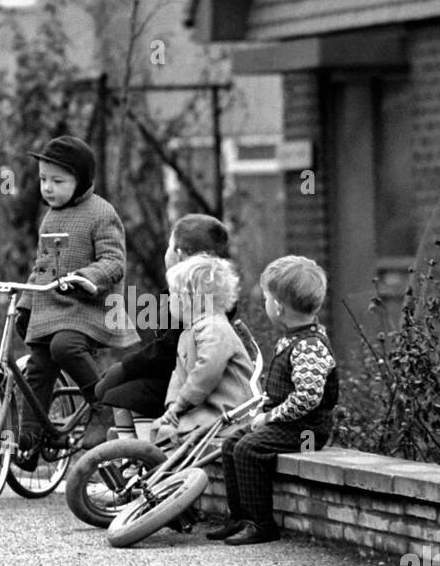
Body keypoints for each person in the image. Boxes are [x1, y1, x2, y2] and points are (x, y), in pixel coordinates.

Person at [13, 135, 136, 469]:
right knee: (38, 365)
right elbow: (41, 267)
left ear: (80, 180)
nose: (47, 188)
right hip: (53, 307)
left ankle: (100, 407)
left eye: (57, 181)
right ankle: (30, 437)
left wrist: (86, 276)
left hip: (90, 308)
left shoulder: (101, 214)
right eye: (42, 180)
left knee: (65, 347)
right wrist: (25, 302)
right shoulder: (50, 218)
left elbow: (114, 262)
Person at [212, 255, 340, 546]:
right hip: (289, 422)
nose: (266, 304)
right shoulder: (294, 337)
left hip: (307, 429)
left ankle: (262, 524)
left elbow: (307, 398)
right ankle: (239, 517)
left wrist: (269, 417)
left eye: (268, 299)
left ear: (279, 308)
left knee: (248, 449)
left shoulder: (308, 346)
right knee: (232, 443)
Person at [94, 213, 232, 440]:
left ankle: (149, 459)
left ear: (179, 255)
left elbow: (169, 348)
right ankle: (132, 458)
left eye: (169, 245)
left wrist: (126, 368)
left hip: (197, 385)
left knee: (132, 396)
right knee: (121, 394)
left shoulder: (199, 302)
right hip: (179, 375)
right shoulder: (195, 290)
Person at [148, 254, 254, 445]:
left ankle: (164, 471)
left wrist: (181, 404)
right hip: (207, 408)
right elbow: (179, 375)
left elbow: (207, 371)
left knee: (169, 435)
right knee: (161, 428)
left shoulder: (215, 328)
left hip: (231, 412)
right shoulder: (188, 333)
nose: (168, 300)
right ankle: (151, 468)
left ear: (188, 299)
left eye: (171, 294)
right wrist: (172, 406)